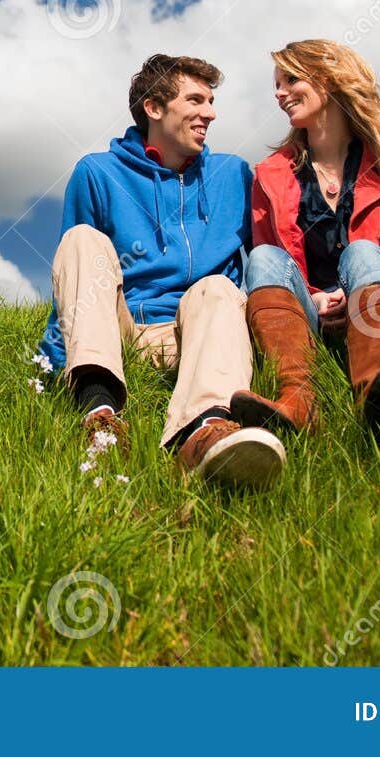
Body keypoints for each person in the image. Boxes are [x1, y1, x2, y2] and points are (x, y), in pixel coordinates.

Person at [36, 54, 286, 489]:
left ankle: (206, 431)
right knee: (81, 239)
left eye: (211, 101)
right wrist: (50, 362)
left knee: (217, 286)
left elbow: (272, 262)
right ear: (154, 108)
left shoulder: (233, 175)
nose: (210, 113)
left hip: (200, 333)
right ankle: (99, 414)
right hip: (124, 332)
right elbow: (73, 279)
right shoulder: (98, 173)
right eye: (195, 100)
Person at [232, 39, 380, 442]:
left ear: (327, 81)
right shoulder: (270, 175)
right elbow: (276, 272)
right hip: (317, 323)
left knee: (362, 253)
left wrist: (363, 294)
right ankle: (298, 399)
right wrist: (313, 300)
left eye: (290, 80)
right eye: (276, 84)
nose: (279, 93)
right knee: (262, 258)